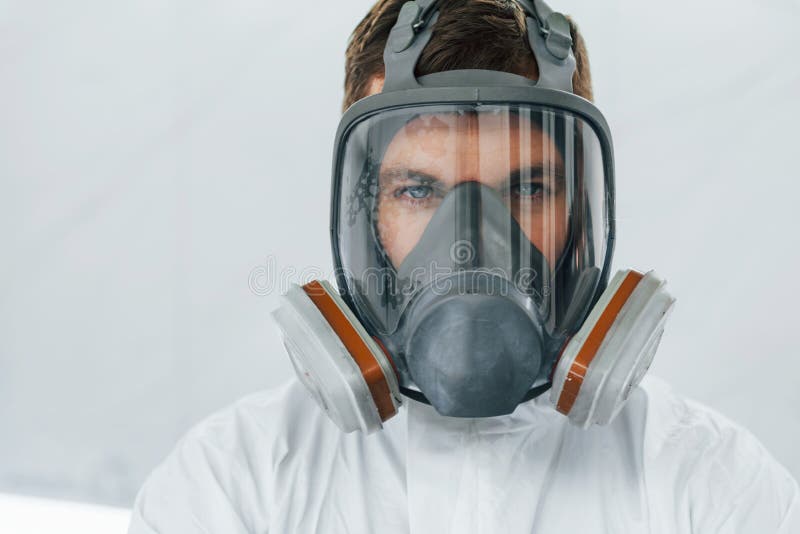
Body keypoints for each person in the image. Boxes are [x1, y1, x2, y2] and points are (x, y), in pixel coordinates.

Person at [128, 1, 800, 532]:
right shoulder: (234, 481)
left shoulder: (710, 482)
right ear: (365, 212)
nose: (473, 244)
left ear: (581, 214)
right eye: (418, 190)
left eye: (528, 189)